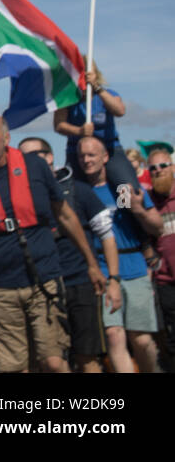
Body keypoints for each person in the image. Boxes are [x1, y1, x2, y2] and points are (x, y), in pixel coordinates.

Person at [0, 113, 103, 373]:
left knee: (53, 361)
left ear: (6, 137)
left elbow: (65, 214)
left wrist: (91, 262)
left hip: (45, 278)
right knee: (15, 367)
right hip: (0, 286)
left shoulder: (34, 166)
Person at [17, 138, 120, 373]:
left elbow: (107, 234)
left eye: (34, 156)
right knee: (52, 361)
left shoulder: (79, 191)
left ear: (50, 157)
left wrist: (113, 279)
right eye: (23, 159)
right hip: (45, 288)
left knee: (88, 356)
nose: (28, 164)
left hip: (82, 283)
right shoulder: (23, 199)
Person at [76, 137, 162, 372]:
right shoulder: (79, 193)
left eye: (92, 155)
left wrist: (139, 210)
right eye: (82, 155)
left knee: (141, 340)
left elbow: (157, 227)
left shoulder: (122, 190)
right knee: (114, 335)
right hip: (103, 271)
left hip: (133, 266)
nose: (86, 160)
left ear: (105, 158)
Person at [54, 65, 136, 193]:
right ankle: (82, 211)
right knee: (72, 189)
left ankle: (127, 210)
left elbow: (120, 111)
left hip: (110, 148)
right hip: (77, 151)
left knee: (124, 184)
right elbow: (59, 125)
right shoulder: (67, 99)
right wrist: (79, 131)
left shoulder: (108, 94)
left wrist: (97, 88)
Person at [144, 143, 175, 370]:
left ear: (172, 167)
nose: (158, 170)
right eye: (153, 167)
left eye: (163, 165)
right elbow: (120, 210)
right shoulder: (146, 201)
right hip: (165, 282)